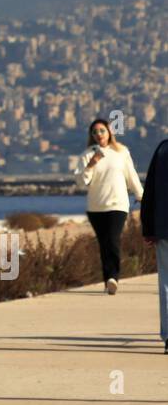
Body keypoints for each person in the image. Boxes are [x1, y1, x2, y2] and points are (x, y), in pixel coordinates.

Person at [75, 118, 144, 295]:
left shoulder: (121, 152)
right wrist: (91, 164)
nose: (99, 134)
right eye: (95, 132)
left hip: (118, 205)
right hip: (96, 207)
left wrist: (141, 196)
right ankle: (108, 281)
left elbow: (131, 175)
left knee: (113, 239)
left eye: (102, 130)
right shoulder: (87, 155)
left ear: (109, 132)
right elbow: (82, 182)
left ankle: (113, 277)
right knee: (104, 243)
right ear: (91, 136)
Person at [141, 138, 168, 354]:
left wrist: (148, 227)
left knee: (166, 281)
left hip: (164, 227)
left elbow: (149, 190)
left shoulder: (162, 149)